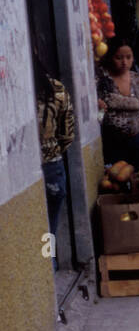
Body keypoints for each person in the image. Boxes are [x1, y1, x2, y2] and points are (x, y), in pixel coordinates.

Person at [36, 58, 76, 271]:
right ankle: (48, 267)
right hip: (52, 165)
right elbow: (67, 134)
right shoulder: (56, 88)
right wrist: (52, 150)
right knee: (48, 227)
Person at [97, 37, 139, 169]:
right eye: (119, 58)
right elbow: (97, 116)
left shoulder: (138, 79)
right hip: (113, 142)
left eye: (129, 57)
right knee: (117, 178)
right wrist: (99, 108)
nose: (124, 62)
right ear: (110, 57)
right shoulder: (102, 79)